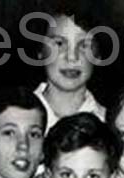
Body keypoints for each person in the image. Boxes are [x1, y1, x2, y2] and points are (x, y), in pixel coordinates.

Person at [32, 5, 106, 133]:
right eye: (59, 43)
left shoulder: (110, 124)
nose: (72, 57)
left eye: (84, 45)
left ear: (98, 56)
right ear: (40, 52)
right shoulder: (14, 119)